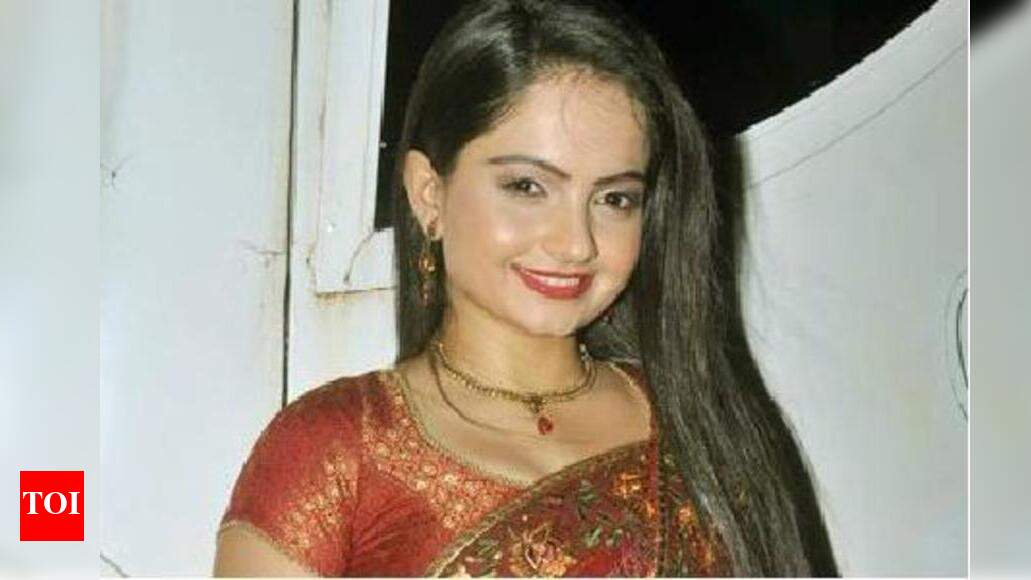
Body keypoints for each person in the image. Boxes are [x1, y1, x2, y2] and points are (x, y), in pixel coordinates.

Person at [214, 0, 838, 576]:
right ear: (429, 192)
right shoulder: (336, 452)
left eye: (614, 199)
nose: (576, 243)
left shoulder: (705, 430)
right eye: (527, 187)